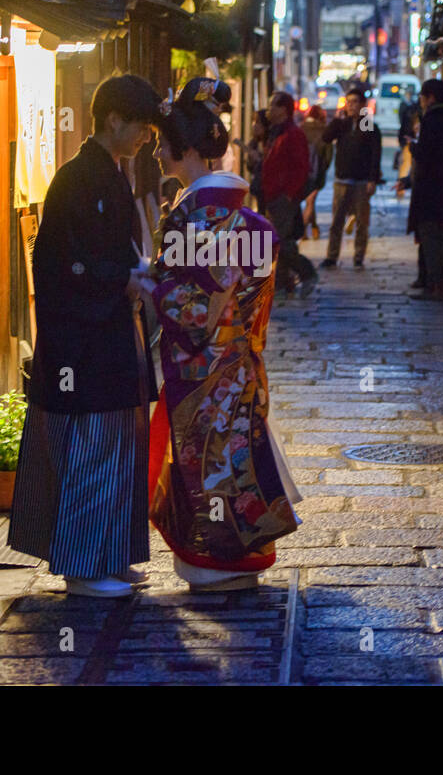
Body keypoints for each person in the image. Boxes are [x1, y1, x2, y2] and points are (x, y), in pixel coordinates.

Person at [7, 73, 162, 598]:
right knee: (92, 450)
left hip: (111, 335)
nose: (147, 136)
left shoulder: (110, 173)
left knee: (119, 448)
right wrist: (123, 278)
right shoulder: (78, 178)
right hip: (83, 345)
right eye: (141, 126)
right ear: (114, 120)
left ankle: (110, 556)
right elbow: (62, 265)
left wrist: (132, 273)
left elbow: (106, 254)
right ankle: (82, 567)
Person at [147, 77, 301, 592]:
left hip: (203, 369)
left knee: (209, 467)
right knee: (236, 463)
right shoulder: (250, 222)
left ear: (186, 148)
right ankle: (240, 558)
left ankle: (214, 564)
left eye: (161, 140)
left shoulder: (194, 222)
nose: (156, 149)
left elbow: (190, 311)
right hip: (241, 363)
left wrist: (146, 283)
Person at [406, 78, 443, 300]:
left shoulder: (429, 123)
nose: (421, 101)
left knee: (431, 241)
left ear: (430, 97)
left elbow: (424, 156)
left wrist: (413, 147)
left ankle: (436, 287)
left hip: (430, 193)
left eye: (422, 96)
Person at [259, 92, 317, 297]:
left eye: (272, 106)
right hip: (273, 195)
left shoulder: (293, 134)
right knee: (278, 240)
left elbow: (301, 167)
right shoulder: (276, 132)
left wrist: (289, 194)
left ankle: (306, 272)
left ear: (283, 109)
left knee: (279, 241)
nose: (268, 110)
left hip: (283, 197)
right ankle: (283, 283)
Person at [320, 86, 382, 269]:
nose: (351, 106)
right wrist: (337, 120)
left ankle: (358, 256)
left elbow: (374, 153)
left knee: (362, 222)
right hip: (342, 180)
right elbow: (326, 137)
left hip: (362, 181)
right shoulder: (342, 124)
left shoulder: (367, 125)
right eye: (348, 102)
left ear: (363, 104)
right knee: (336, 221)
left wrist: (373, 179)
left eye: (355, 102)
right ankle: (332, 256)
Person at [300, 104, 331, 240]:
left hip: (301, 171)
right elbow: (329, 156)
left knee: (309, 201)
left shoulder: (300, 129)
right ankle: (304, 229)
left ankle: (314, 227)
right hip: (317, 172)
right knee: (310, 201)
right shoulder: (324, 131)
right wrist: (324, 168)